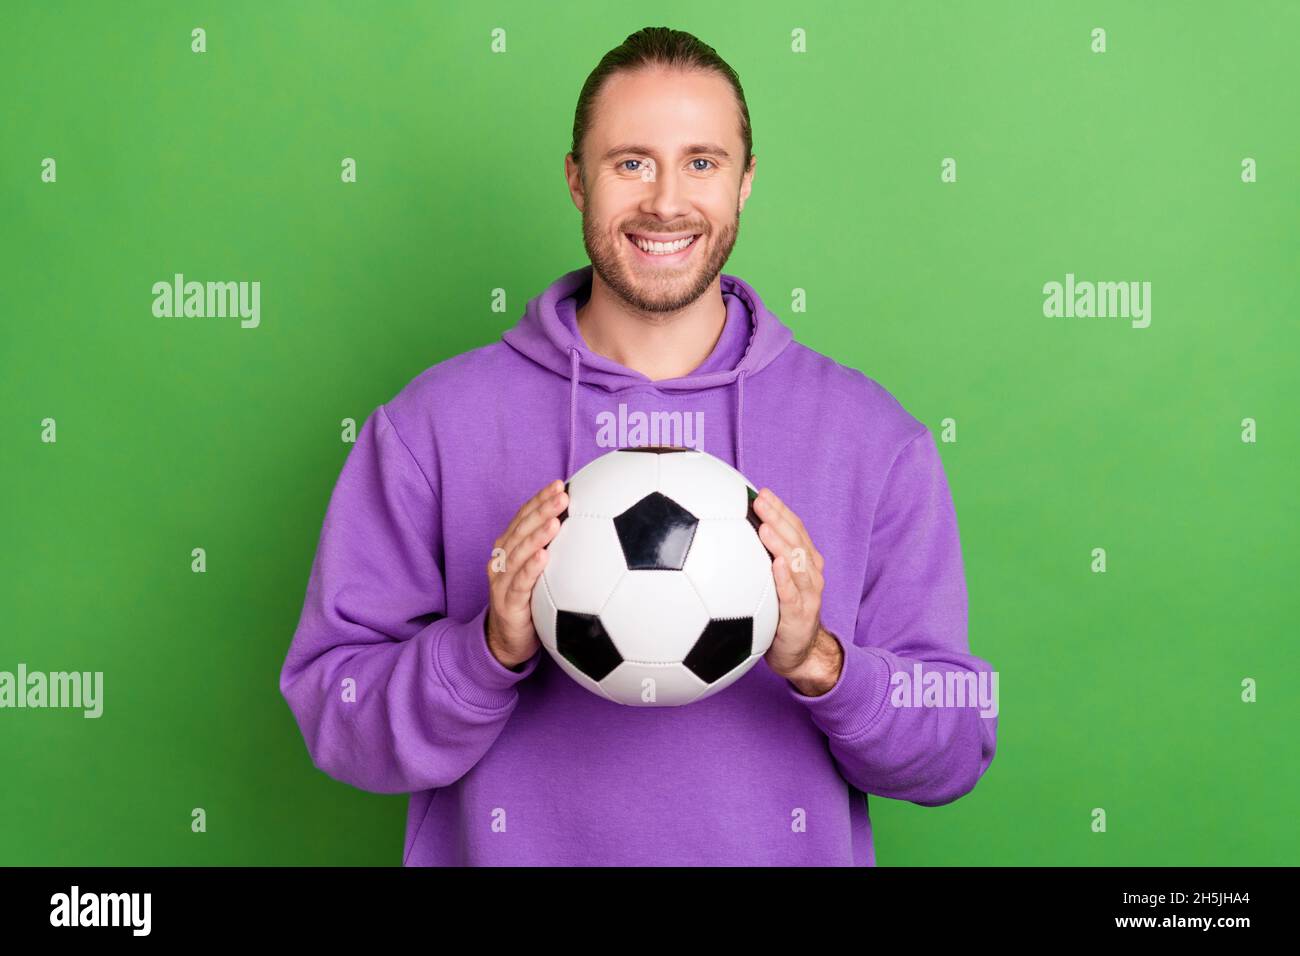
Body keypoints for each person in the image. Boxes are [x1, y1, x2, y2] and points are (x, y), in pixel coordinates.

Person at [279, 26, 998, 866]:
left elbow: (954, 747)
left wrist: (820, 663)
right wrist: (484, 652)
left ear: (745, 182)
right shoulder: (431, 426)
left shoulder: (873, 440)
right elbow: (336, 715)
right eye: (630, 162)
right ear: (577, 181)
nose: (665, 201)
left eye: (702, 162)